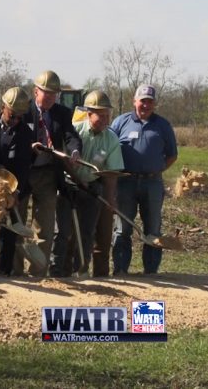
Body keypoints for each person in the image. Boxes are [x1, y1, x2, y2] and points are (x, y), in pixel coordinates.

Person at [50, 90, 123, 277]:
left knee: (86, 233)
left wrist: (110, 198)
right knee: (64, 232)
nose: (105, 120)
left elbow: (112, 173)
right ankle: (59, 271)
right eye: (101, 115)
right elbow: (63, 158)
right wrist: (75, 178)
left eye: (108, 115)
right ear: (89, 114)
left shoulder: (111, 139)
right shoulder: (75, 130)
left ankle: (81, 269)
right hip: (68, 187)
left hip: (92, 188)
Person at [110, 84, 178, 275]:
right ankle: (121, 270)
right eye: (142, 101)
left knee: (153, 229)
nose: (145, 106)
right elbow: (109, 148)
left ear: (154, 104)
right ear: (135, 101)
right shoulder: (120, 122)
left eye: (149, 102)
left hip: (153, 184)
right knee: (123, 228)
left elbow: (172, 155)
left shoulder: (163, 125)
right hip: (125, 182)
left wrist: (155, 170)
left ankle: (151, 272)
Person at [22, 70, 82, 277]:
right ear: (35, 91)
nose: (49, 97)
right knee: (18, 225)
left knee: (45, 227)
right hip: (23, 174)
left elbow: (71, 136)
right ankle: (13, 272)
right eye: (45, 92)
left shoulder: (62, 113)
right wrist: (28, 146)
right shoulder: (23, 110)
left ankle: (37, 272)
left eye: (53, 93)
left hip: (48, 174)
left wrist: (74, 151)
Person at [0, 86, 35, 277]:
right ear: (3, 107)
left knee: (8, 234)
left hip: (12, 187)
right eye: (12, 116)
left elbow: (23, 166)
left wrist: (14, 193)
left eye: (20, 117)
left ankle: (3, 273)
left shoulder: (25, 133)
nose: (16, 121)